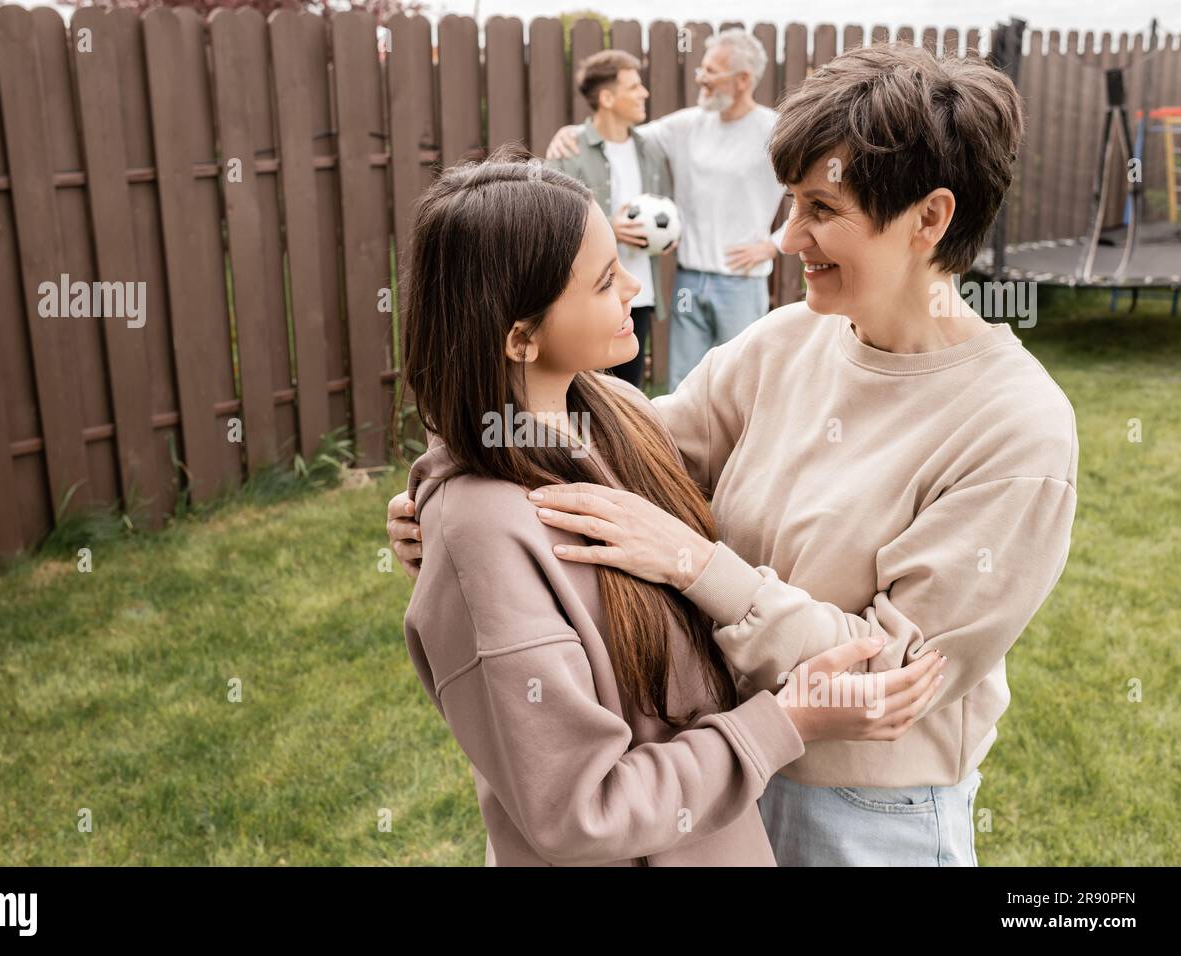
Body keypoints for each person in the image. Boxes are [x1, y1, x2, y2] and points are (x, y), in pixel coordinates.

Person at [388, 44, 1078, 866]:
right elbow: (619, 443)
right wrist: (453, 478)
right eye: (788, 205)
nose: (788, 238)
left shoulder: (1016, 428)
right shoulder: (787, 342)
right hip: (715, 778)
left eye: (821, 209)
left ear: (930, 218)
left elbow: (882, 674)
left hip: (861, 811)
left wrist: (695, 563)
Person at [397, 144, 944, 867]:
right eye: (602, 280)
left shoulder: (613, 410)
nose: (634, 283)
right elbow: (580, 812)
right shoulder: (485, 535)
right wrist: (783, 722)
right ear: (521, 338)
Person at [546, 28, 786, 391]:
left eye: (710, 72)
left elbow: (817, 194)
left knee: (743, 384)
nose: (700, 78)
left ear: (743, 80)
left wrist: (775, 244)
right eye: (700, 69)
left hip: (741, 283)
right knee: (684, 384)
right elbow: (616, 134)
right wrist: (570, 132)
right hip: (689, 280)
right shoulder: (687, 125)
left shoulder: (775, 130)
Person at [545, 49, 674, 388]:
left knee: (628, 393)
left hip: (637, 295)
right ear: (606, 97)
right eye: (634, 86)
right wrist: (607, 231)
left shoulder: (650, 149)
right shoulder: (569, 149)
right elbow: (550, 224)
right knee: (586, 392)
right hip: (590, 296)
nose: (644, 93)